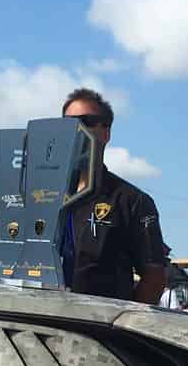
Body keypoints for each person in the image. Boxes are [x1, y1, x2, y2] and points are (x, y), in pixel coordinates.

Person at [60, 89, 167, 303]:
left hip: (96, 329)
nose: (77, 129)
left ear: (106, 132)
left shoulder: (133, 201)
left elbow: (154, 279)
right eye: (68, 123)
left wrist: (119, 325)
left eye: (87, 121)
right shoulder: (43, 197)